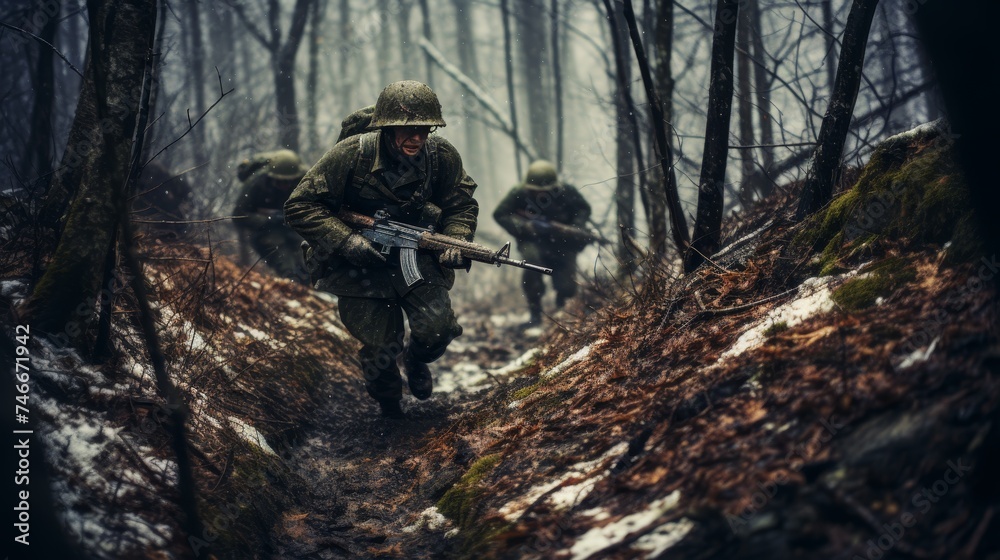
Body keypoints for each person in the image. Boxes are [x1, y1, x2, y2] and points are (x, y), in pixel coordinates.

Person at [284, 80, 479, 419]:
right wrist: (348, 241)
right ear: (386, 127)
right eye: (406, 130)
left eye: (423, 129)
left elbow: (460, 205)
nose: (416, 138)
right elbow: (300, 205)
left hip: (416, 255)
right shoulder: (351, 154)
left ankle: (416, 360)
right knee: (379, 347)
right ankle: (389, 407)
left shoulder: (440, 155)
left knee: (438, 328)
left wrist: (457, 239)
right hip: (356, 266)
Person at [493, 160, 592, 327]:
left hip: (562, 242)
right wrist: (523, 227)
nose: (539, 195)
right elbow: (500, 214)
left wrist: (574, 227)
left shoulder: (566, 192)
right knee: (531, 266)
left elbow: (583, 209)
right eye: (534, 191)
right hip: (532, 240)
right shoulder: (519, 192)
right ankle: (535, 313)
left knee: (567, 285)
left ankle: (563, 310)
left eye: (545, 191)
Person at [232, 149, 309, 281]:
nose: (285, 185)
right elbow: (238, 215)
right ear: (271, 177)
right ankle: (292, 286)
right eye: (280, 181)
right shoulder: (256, 182)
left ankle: (308, 284)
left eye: (288, 181)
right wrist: (268, 219)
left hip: (293, 226)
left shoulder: (304, 179)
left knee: (308, 259)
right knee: (286, 264)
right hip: (266, 230)